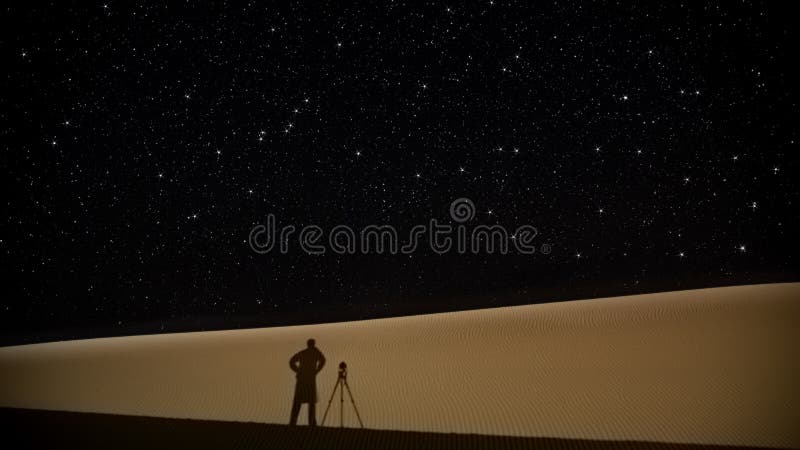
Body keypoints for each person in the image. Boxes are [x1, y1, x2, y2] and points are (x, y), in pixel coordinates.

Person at [289, 338, 326, 426]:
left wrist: (298, 370)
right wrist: (316, 371)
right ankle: (311, 422)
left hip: (304, 379)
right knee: (310, 401)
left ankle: (294, 422)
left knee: (301, 401)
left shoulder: (304, 352)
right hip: (308, 379)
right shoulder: (315, 352)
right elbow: (323, 360)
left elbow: (291, 361)